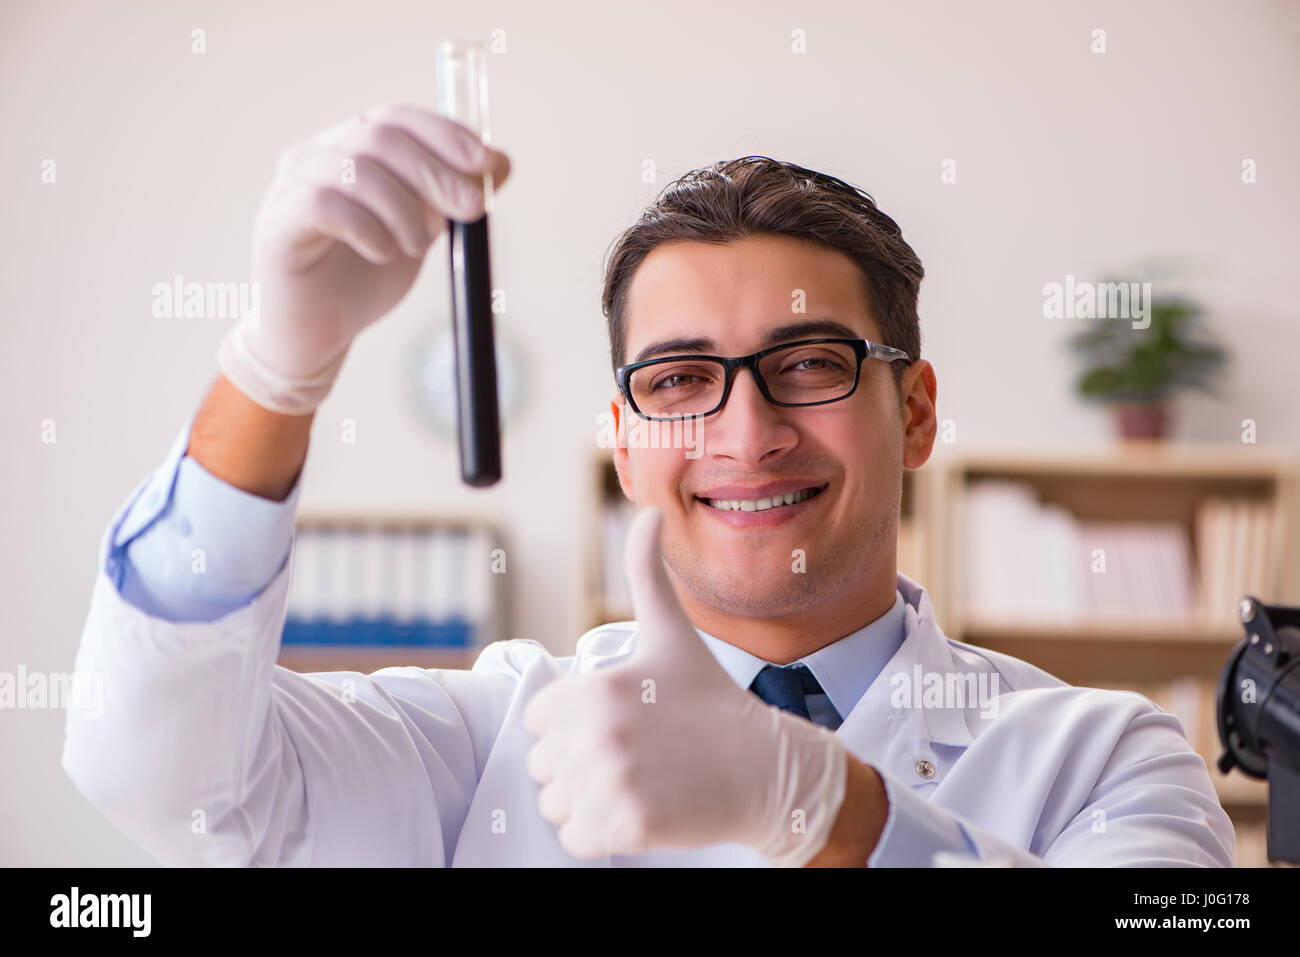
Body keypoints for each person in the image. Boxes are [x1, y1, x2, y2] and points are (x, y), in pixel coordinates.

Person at [62, 104, 1236, 867]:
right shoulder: (488, 738)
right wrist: (274, 371)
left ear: (914, 409)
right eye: (680, 382)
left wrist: (821, 804)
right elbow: (163, 777)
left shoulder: (1104, 756)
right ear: (625, 443)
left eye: (808, 365)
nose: (747, 431)